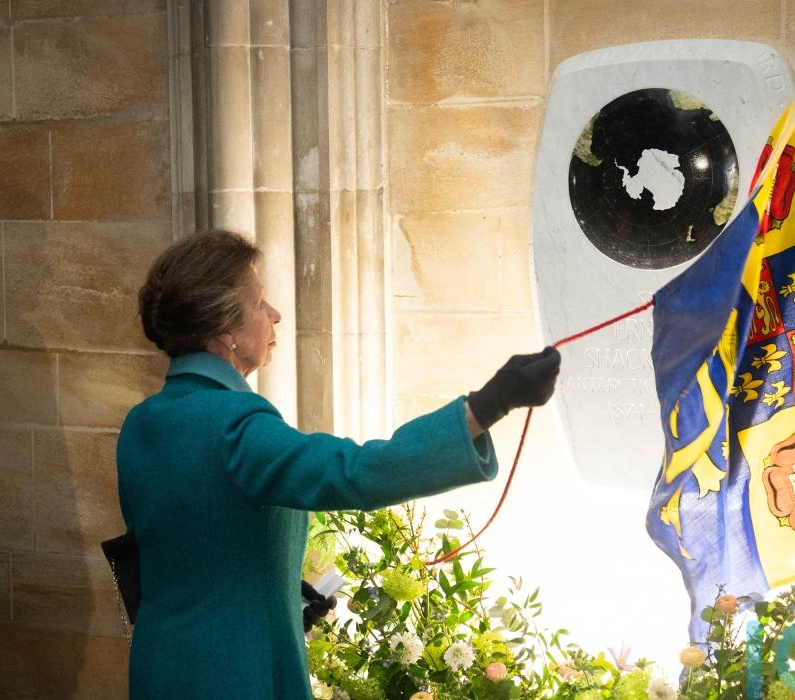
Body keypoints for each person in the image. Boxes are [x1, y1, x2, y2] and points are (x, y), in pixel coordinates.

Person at [117, 230, 560, 698]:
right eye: (260, 302)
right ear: (225, 331)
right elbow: (356, 473)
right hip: (235, 673)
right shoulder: (236, 426)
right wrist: (488, 405)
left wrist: (282, 591)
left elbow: (193, 549)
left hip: (160, 666)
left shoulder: (141, 423)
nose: (275, 316)